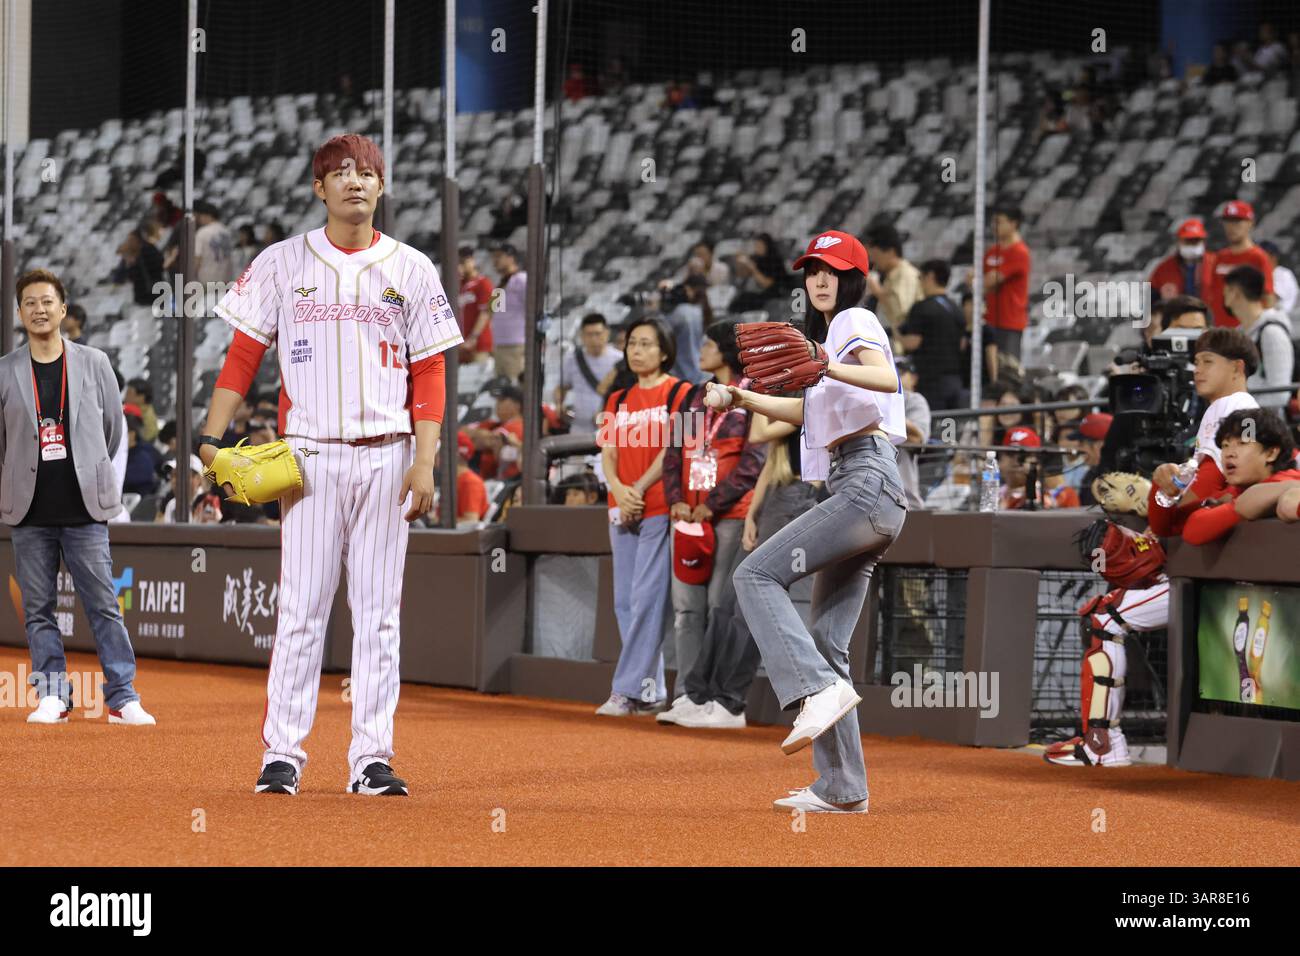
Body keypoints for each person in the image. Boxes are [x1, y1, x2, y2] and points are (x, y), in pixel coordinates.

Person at [196, 133, 462, 798]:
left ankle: (371, 757)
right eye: (340, 173)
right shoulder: (283, 263)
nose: (355, 182)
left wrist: (425, 460)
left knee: (377, 615)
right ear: (319, 188)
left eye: (367, 173)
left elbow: (430, 369)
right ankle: (282, 754)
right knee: (302, 610)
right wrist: (208, 437)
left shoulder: (413, 268)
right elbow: (242, 354)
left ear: (382, 186)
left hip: (388, 453)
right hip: (308, 458)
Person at [722, 229, 907, 814]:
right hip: (868, 488)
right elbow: (807, 411)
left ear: (852, 277)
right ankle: (843, 787)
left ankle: (814, 691)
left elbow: (884, 379)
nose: (819, 279)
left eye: (831, 269)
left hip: (866, 479)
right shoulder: (831, 342)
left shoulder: (853, 321)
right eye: (811, 271)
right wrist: (741, 397)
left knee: (754, 576)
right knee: (827, 641)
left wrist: (825, 360)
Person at [0, 269, 155, 725]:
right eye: (30, 302)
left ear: (63, 310)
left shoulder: (94, 362)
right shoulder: (6, 370)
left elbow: (111, 431)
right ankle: (53, 695)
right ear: (20, 312)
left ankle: (122, 695)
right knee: (37, 608)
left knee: (103, 604)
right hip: (29, 509)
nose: (39, 309)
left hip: (85, 507)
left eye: (47, 301)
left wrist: (87, 469)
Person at [658, 320, 765, 726]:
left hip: (728, 519)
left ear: (726, 351)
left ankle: (713, 697)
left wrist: (712, 505)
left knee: (720, 608)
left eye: (708, 344)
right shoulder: (693, 400)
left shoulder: (749, 396)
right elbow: (673, 453)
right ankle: (687, 693)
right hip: (687, 517)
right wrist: (677, 501)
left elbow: (752, 463)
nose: (700, 350)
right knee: (687, 611)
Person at [594, 318, 692, 717]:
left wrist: (638, 488)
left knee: (648, 598)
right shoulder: (616, 399)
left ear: (665, 351)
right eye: (632, 343)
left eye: (646, 344)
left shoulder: (683, 392)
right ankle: (650, 689)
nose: (636, 350)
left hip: (659, 507)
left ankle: (626, 689)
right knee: (625, 603)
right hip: (622, 507)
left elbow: (680, 447)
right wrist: (619, 489)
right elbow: (607, 454)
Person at [1148, 328, 1260, 534]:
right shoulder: (1233, 405)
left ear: (1237, 368)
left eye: (1207, 361)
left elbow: (1213, 476)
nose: (1197, 370)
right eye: (1196, 362)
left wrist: (1172, 510)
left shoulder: (1234, 404)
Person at [1222, 265, 1294, 408]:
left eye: (1225, 290)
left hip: (1264, 424)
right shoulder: (1238, 334)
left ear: (1234, 292)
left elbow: (1280, 394)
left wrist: (1238, 405)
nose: (1223, 296)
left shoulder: (1272, 333)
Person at [899, 258, 966, 410]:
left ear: (930, 276)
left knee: (934, 427)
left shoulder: (922, 308)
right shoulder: (956, 309)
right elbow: (962, 344)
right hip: (955, 379)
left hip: (931, 382)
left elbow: (912, 342)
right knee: (949, 426)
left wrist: (897, 335)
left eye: (920, 278)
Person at [1207, 200, 1274, 327]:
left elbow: (1268, 297)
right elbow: (1213, 295)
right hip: (1220, 330)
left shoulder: (1259, 257)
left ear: (1250, 223)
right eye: (1227, 221)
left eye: (1237, 221)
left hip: (1247, 332)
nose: (1231, 227)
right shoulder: (1220, 257)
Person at [982, 204, 1032, 369]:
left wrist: (984, 281)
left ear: (1013, 223)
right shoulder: (991, 252)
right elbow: (980, 281)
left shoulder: (1019, 252)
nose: (994, 226)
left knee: (1008, 369)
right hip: (990, 319)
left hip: (1010, 321)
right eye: (993, 222)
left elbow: (988, 281)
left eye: (999, 222)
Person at [557, 313, 622, 431]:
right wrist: (559, 404)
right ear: (582, 336)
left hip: (609, 424)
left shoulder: (619, 360)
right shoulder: (571, 358)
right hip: (579, 424)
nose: (593, 339)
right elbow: (562, 387)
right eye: (589, 334)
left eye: (598, 334)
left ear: (607, 334)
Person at [864, 222, 923, 337]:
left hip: (901, 345)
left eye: (876, 256)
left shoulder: (906, 274)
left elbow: (901, 314)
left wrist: (878, 292)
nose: (873, 261)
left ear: (890, 251)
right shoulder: (890, 275)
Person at [464, 385, 524, 480]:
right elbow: (462, 431)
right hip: (489, 477)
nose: (497, 404)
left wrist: (476, 435)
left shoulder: (518, 426)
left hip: (508, 481)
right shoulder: (495, 424)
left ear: (516, 405)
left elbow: (482, 441)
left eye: (501, 401)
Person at [1149, 218, 1215, 303]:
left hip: (1210, 313)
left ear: (1204, 242)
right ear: (1178, 242)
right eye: (1188, 241)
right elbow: (1149, 299)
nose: (1192, 245)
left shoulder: (1215, 263)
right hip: (1175, 313)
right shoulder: (1164, 268)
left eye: (1196, 241)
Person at [489, 243, 527, 381]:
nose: (495, 261)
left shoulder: (522, 279)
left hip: (516, 344)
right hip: (500, 345)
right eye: (494, 257)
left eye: (499, 256)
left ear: (511, 258)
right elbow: (493, 311)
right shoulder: (499, 284)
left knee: (515, 385)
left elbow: (531, 308)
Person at [897, 357, 931, 510]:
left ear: (913, 378)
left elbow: (917, 439)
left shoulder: (914, 400)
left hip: (906, 501)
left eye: (901, 372)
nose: (895, 375)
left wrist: (884, 414)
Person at [664, 274, 711, 384]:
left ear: (689, 289)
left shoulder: (683, 311)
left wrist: (657, 308)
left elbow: (659, 329)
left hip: (683, 372)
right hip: (700, 370)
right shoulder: (703, 310)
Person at [731, 233, 789, 311]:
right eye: (756, 245)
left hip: (773, 294)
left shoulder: (775, 261)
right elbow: (742, 275)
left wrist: (753, 268)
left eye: (760, 245)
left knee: (747, 299)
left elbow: (767, 284)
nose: (757, 248)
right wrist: (740, 263)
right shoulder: (757, 259)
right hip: (758, 292)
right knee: (740, 299)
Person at [157, 454, 222, 523]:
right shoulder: (172, 504)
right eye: (172, 475)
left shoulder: (209, 502)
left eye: (181, 475)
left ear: (198, 479)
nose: (174, 480)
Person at [1063, 412, 1112, 504]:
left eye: (1082, 444)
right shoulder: (1090, 475)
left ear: (1099, 447)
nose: (1078, 449)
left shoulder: (1117, 479)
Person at [457, 246, 494, 362]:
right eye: (458, 263)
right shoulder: (459, 285)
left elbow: (486, 313)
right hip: (460, 345)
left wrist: (473, 338)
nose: (460, 266)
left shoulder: (484, 283)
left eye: (463, 262)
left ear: (472, 261)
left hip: (479, 344)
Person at [193, 199, 238, 286]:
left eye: (201, 216)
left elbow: (197, 259)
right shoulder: (227, 232)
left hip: (207, 281)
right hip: (226, 280)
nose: (200, 219)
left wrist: (192, 279)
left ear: (208, 216)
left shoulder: (202, 232)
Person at [1258, 240, 1298, 314]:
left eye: (1263, 256)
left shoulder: (1284, 274)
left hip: (1281, 318)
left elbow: (1272, 298)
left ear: (1274, 257)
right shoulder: (1259, 274)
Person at [124, 378, 159, 443]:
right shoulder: (128, 408)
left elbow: (145, 439)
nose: (126, 396)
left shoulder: (148, 418)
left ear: (141, 397)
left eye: (129, 393)